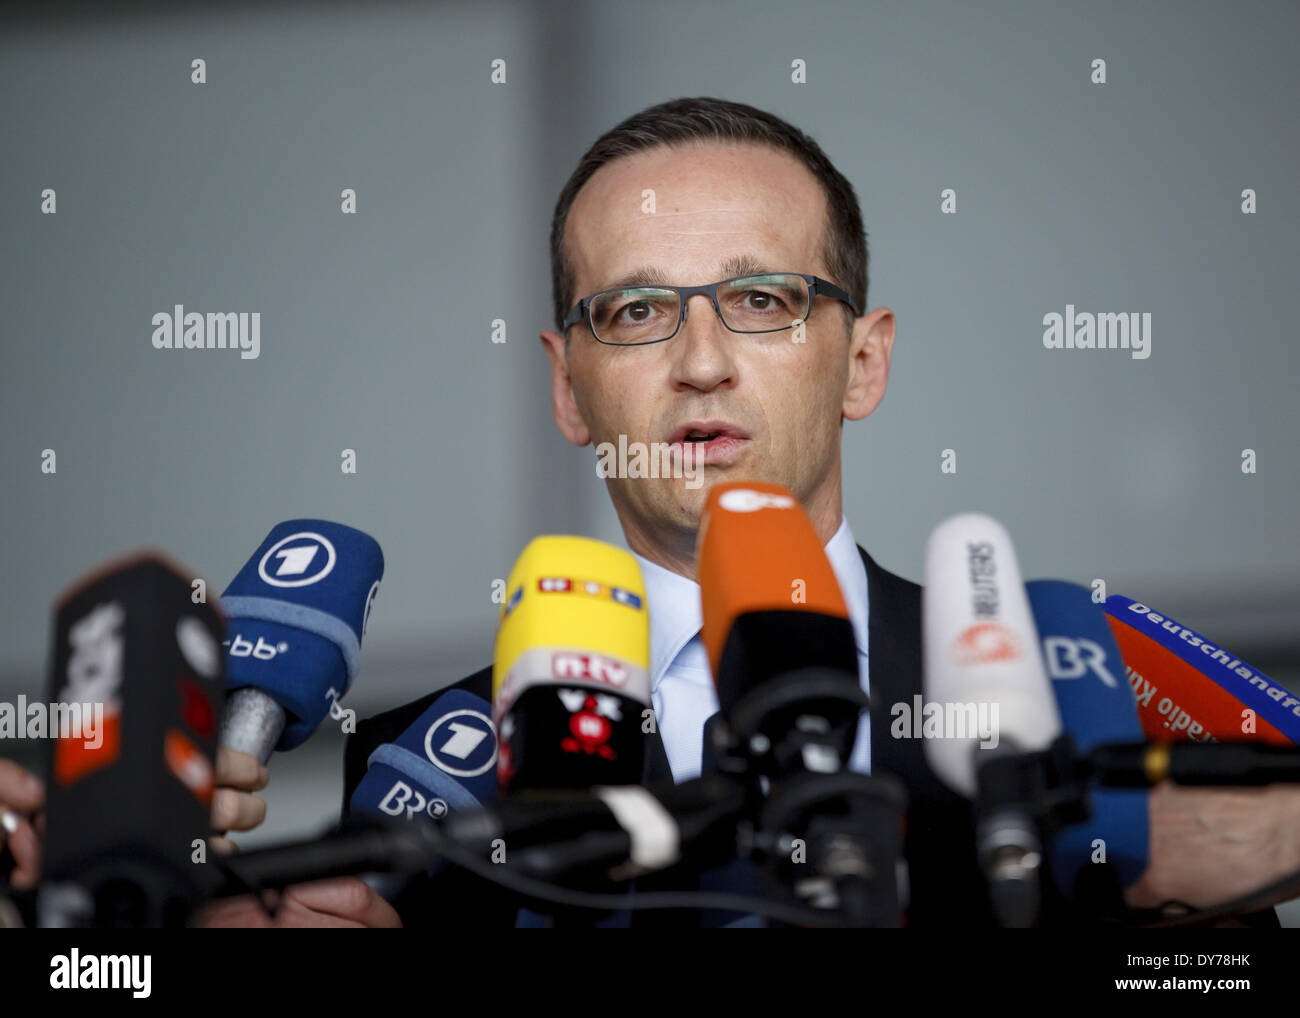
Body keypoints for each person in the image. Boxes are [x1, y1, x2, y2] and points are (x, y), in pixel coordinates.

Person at [3, 97, 1294, 928]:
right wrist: (109, 939)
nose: (701, 360)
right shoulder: (408, 771)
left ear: (865, 360)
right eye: (635, 310)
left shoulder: (1079, 705)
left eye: (764, 299)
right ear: (569, 388)